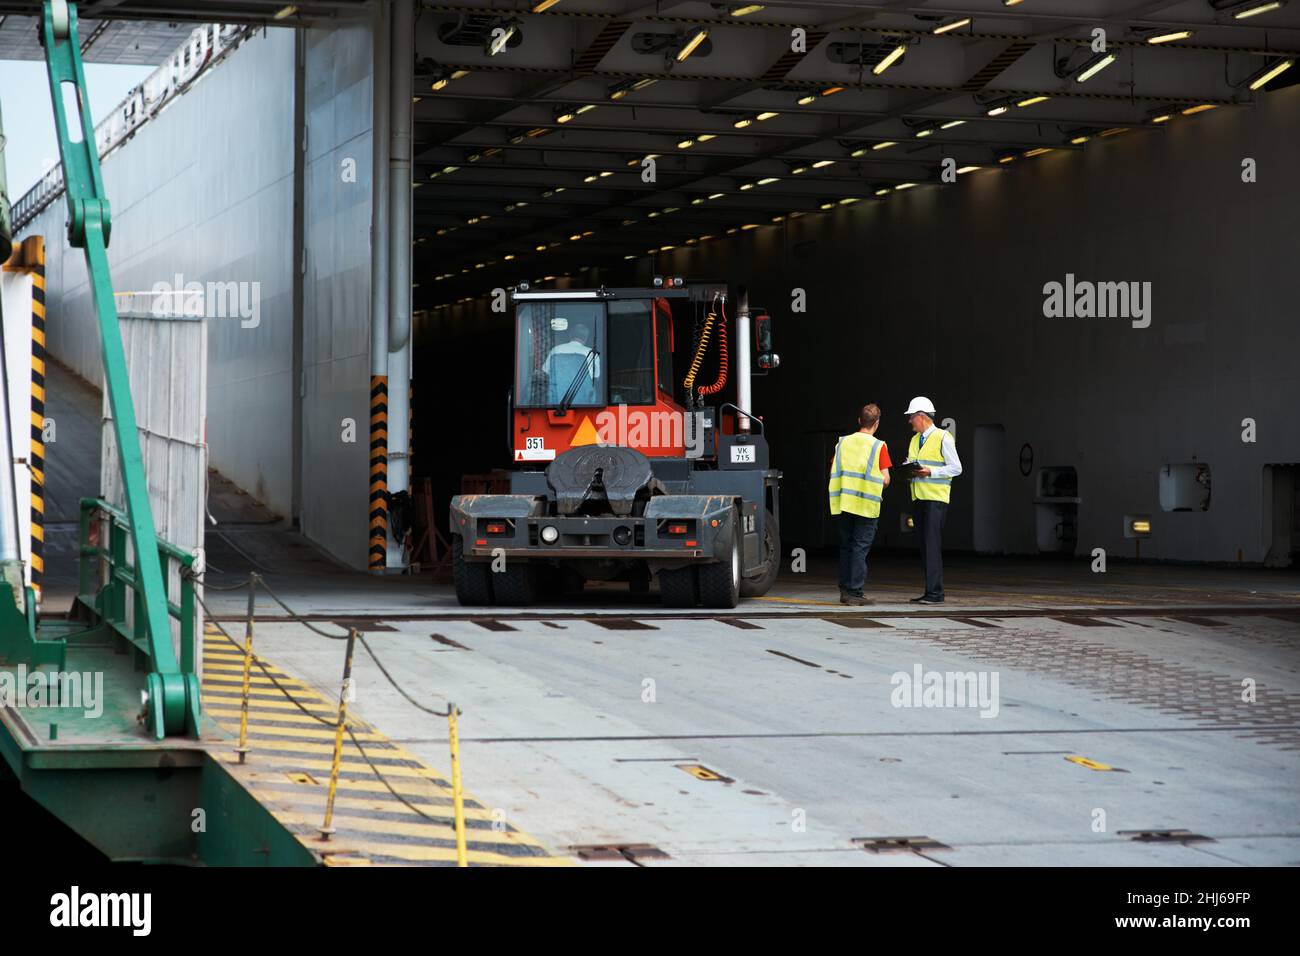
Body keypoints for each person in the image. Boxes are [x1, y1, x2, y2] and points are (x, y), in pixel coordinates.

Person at [828, 404, 891, 605]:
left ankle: (845, 591)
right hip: (865, 505)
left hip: (844, 503)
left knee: (846, 547)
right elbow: (885, 479)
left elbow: (833, 467)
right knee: (859, 548)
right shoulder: (878, 446)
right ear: (877, 423)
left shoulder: (842, 443)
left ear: (859, 421)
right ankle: (855, 592)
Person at [903, 396, 961, 605]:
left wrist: (930, 472)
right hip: (919, 498)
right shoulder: (914, 440)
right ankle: (930, 591)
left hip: (935, 500)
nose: (909, 421)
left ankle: (935, 593)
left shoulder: (943, 437)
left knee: (932, 546)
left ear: (922, 416)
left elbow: (956, 468)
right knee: (925, 546)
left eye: (911, 417)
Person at [543, 318, 601, 405]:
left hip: (556, 401)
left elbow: (545, 374)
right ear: (586, 338)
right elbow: (596, 379)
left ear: (570, 335)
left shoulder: (555, 350)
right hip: (585, 402)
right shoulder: (592, 353)